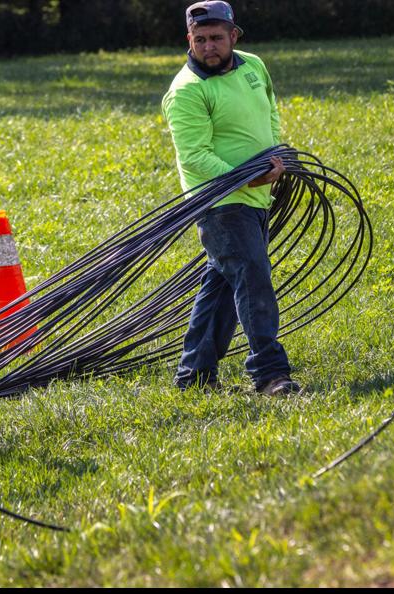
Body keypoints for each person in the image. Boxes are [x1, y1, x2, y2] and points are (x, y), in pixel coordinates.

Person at [162, 1, 301, 396]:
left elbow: (269, 111)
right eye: (200, 39)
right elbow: (195, 157)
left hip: (257, 195)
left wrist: (275, 156)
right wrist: (248, 177)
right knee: (253, 278)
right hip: (220, 203)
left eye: (216, 38)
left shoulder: (254, 66)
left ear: (233, 36)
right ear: (189, 40)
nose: (208, 47)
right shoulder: (186, 92)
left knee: (222, 285)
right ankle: (270, 373)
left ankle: (194, 374)